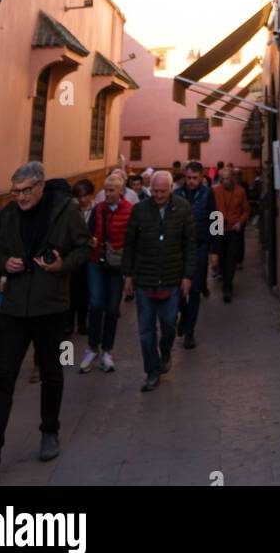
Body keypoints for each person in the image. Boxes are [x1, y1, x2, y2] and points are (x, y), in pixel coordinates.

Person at [0, 162, 91, 483]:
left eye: (25, 190)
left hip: (51, 308)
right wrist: (4, 264)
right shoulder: (9, 214)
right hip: (13, 310)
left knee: (51, 372)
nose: (20, 197)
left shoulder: (66, 212)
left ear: (40, 186)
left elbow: (85, 248)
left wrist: (63, 265)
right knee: (3, 377)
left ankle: (49, 431)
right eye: (15, 191)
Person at [121, 171, 194, 392]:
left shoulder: (182, 208)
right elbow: (130, 244)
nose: (159, 195)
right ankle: (152, 371)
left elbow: (190, 245)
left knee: (169, 325)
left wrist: (187, 276)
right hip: (145, 278)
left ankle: (166, 351)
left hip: (172, 278)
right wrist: (128, 275)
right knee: (145, 330)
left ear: (171, 188)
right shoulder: (139, 210)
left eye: (163, 191)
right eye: (155, 191)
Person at [79, 174, 131, 373]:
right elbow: (89, 231)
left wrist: (129, 269)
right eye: (106, 190)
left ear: (120, 191)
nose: (107, 194)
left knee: (111, 308)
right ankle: (92, 347)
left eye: (111, 190)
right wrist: (90, 241)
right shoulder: (98, 209)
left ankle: (107, 350)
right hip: (96, 261)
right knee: (96, 303)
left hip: (116, 266)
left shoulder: (130, 211)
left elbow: (132, 239)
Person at [174, 162, 217, 348]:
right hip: (178, 248)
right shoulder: (176, 194)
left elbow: (216, 219)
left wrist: (215, 250)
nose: (191, 181)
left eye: (195, 178)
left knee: (195, 289)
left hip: (200, 246)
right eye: (188, 178)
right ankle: (183, 315)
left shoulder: (209, 194)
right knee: (178, 290)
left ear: (201, 177)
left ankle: (190, 332)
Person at [212, 164, 249, 303]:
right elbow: (212, 210)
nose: (225, 181)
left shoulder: (240, 191)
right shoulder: (215, 191)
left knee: (231, 258)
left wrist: (240, 222)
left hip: (234, 230)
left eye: (227, 178)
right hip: (218, 227)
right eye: (222, 178)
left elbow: (246, 210)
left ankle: (227, 288)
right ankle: (223, 277)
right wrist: (214, 231)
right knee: (221, 259)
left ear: (232, 178)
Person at [67, 179, 95, 335]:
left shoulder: (96, 210)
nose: (81, 199)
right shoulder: (71, 211)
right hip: (73, 255)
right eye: (78, 196)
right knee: (71, 289)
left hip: (89, 256)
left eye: (84, 195)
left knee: (84, 290)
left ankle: (82, 322)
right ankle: (68, 323)